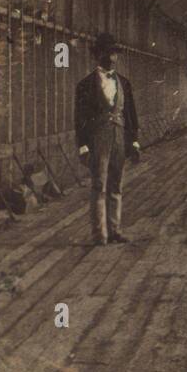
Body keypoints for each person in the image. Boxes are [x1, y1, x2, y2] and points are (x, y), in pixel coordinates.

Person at [75, 31, 140, 245]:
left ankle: (115, 230)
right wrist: (83, 145)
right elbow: (80, 117)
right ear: (98, 55)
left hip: (120, 137)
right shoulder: (84, 85)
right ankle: (99, 234)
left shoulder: (124, 83)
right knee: (99, 185)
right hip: (97, 139)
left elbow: (130, 114)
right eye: (108, 53)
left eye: (115, 54)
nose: (112, 58)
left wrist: (134, 141)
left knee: (116, 185)